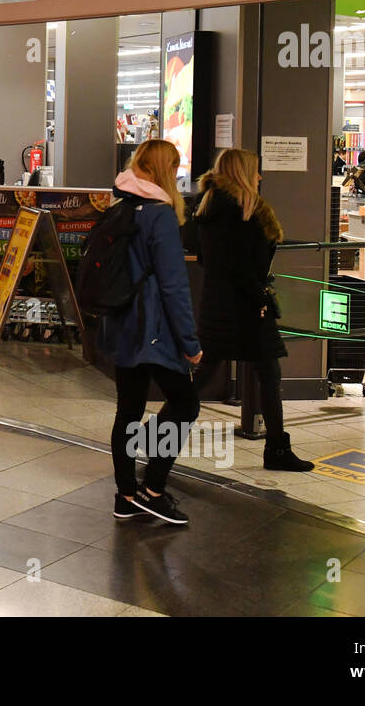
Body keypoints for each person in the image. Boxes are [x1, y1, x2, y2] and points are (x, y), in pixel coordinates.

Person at [190, 149, 312, 472]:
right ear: (243, 174)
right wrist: (261, 296)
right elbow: (244, 265)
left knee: (202, 377)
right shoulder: (244, 212)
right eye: (255, 171)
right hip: (248, 307)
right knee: (268, 376)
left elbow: (206, 259)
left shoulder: (208, 208)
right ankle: (276, 450)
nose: (260, 177)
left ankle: (156, 439)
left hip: (218, 306)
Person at [100, 139, 202, 525]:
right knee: (186, 403)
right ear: (165, 170)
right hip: (153, 329)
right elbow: (175, 287)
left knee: (128, 409)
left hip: (122, 323)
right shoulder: (159, 214)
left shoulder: (121, 203)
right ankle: (153, 489)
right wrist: (190, 344)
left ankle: (125, 497)